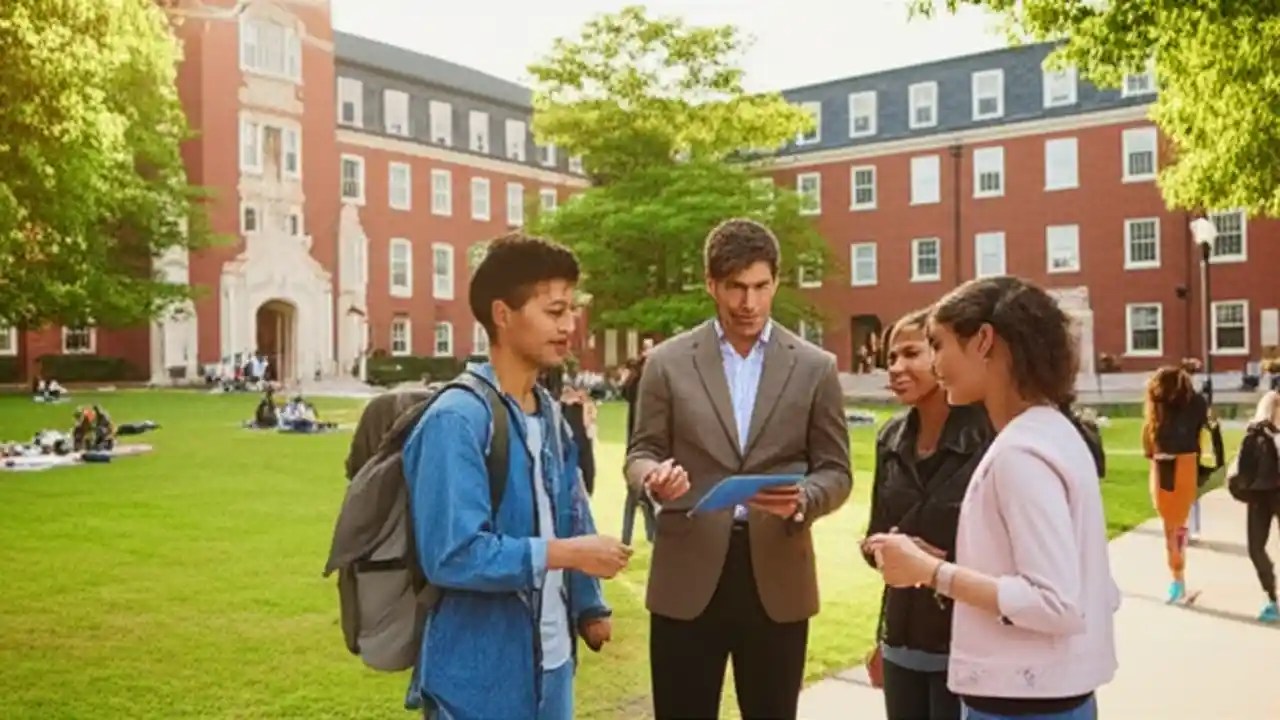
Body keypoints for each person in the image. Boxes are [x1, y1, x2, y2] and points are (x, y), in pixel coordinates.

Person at [625, 218, 852, 720]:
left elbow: (837, 471)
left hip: (777, 578)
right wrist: (653, 477)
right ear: (711, 284)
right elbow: (640, 452)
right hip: (687, 577)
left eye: (760, 287)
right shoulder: (666, 363)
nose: (748, 303)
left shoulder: (816, 368)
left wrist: (806, 498)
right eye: (735, 288)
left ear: (776, 282)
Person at [867, 276, 1119, 720]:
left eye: (938, 344)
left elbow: (1055, 602)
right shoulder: (1052, 433)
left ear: (984, 340)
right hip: (1044, 693)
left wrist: (932, 572)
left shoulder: (1021, 452)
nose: (936, 362)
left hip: (1024, 704)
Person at [402, 233, 631, 719]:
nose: (569, 326)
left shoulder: (548, 413)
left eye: (571, 310)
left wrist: (589, 606)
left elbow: (571, 509)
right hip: (476, 681)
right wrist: (568, 554)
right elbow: (453, 553)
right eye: (554, 312)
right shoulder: (456, 420)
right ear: (503, 315)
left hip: (553, 668)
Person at [861, 309, 992, 720]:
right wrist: (878, 550)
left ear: (941, 355)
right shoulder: (890, 439)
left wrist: (936, 565)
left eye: (911, 354)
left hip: (967, 650)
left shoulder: (991, 437)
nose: (897, 368)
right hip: (903, 646)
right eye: (891, 359)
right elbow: (877, 534)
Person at [1141, 366, 1208, 603]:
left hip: (1161, 465)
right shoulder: (1195, 403)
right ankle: (1178, 579)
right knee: (1179, 525)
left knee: (1170, 525)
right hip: (1186, 464)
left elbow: (1147, 435)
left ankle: (1177, 579)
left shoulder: (1156, 404)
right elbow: (1202, 420)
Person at [1229, 391, 1280, 622]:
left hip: (1259, 494)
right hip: (1264, 493)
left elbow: (1239, 468)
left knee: (1255, 546)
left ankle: (1271, 595)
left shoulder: (1254, 433)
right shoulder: (1257, 434)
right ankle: (1270, 594)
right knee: (1256, 547)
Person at [620, 355, 655, 545]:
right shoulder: (646, 387)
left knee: (635, 497)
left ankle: (630, 536)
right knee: (643, 495)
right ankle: (649, 534)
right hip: (641, 445)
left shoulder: (635, 385)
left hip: (634, 444)